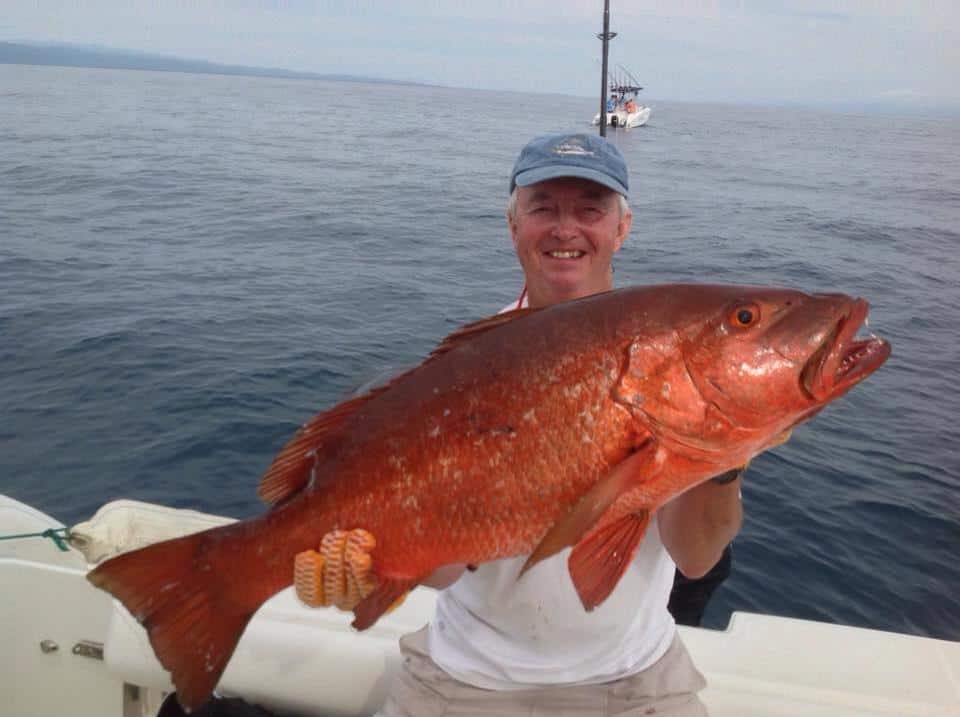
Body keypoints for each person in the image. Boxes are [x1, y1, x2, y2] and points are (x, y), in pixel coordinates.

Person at [295, 133, 744, 716]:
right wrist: (370, 560)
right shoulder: (467, 369)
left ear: (621, 228)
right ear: (513, 226)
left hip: (635, 684)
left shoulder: (668, 352)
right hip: (465, 683)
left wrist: (725, 457)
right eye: (543, 208)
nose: (566, 229)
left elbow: (698, 558)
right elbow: (446, 569)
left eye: (590, 209)